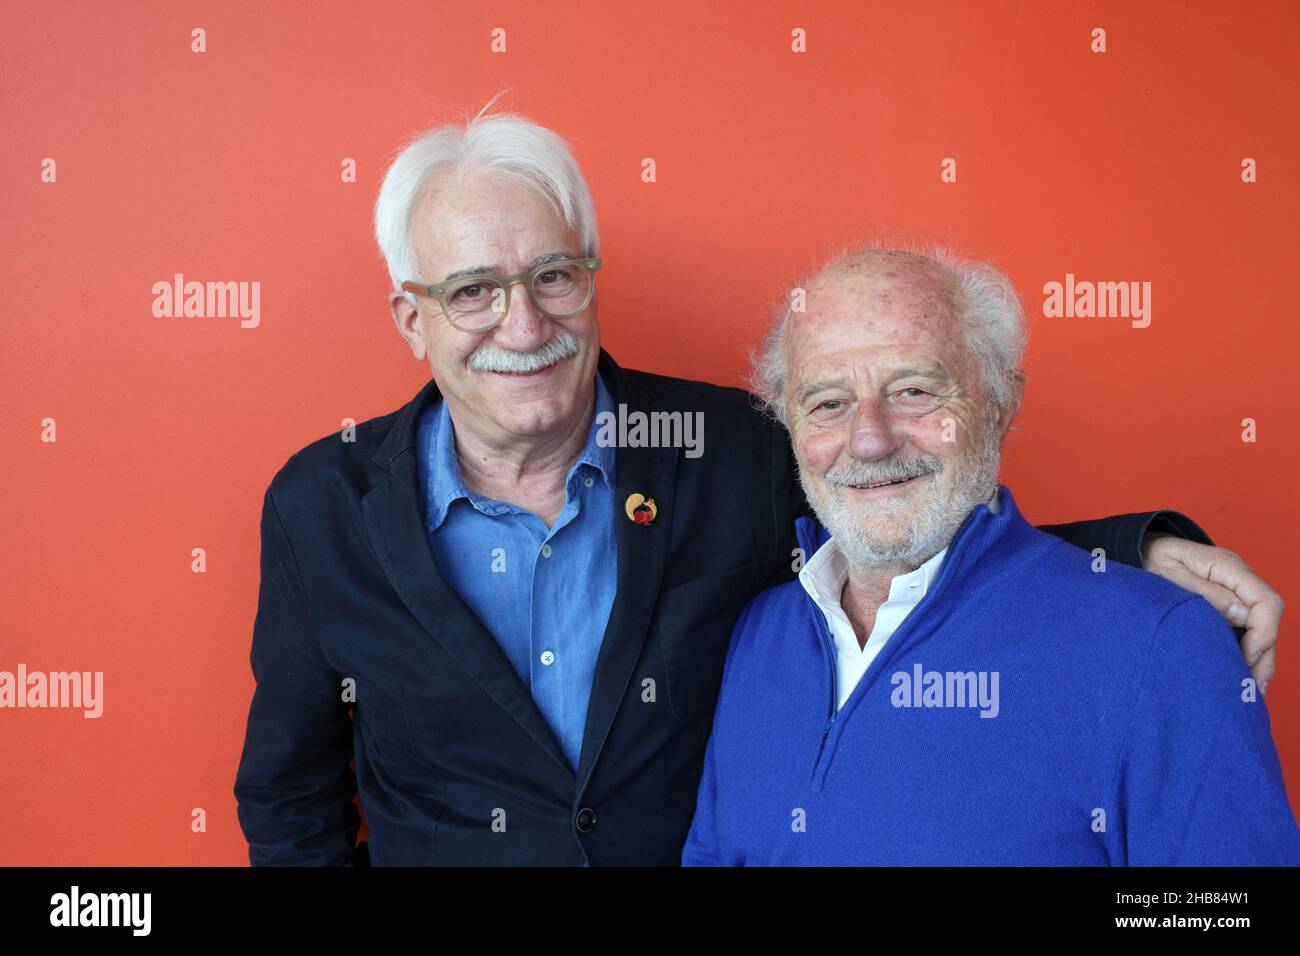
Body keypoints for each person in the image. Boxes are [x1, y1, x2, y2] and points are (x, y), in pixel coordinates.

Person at [234, 110, 1284, 866]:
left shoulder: (722, 445)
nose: (523, 323)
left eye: (552, 274)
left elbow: (895, 514)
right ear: (411, 318)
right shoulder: (322, 504)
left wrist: (1129, 555)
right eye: (473, 290)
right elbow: (290, 792)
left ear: (590, 278)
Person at [682, 246, 1299, 865]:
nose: (869, 439)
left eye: (914, 390)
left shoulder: (1164, 646)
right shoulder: (759, 633)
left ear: (1001, 404)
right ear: (790, 424)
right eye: (828, 403)